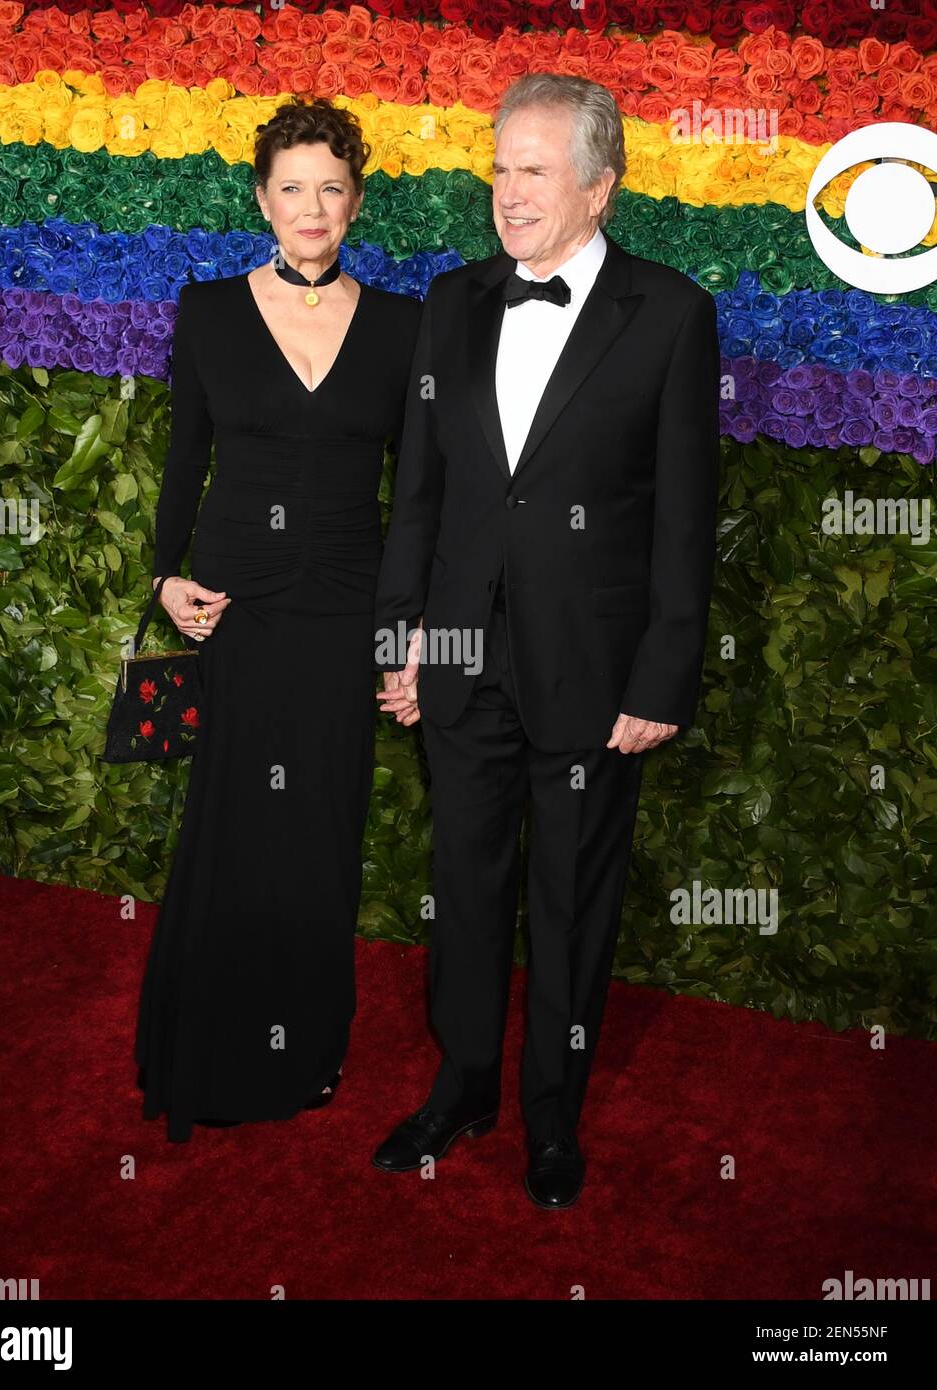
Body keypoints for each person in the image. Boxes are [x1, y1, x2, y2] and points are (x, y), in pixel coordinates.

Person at [371, 74, 721, 1207]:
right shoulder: (449, 301)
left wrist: (662, 671)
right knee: (463, 885)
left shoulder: (667, 313)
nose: (505, 193)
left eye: (530, 169)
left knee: (572, 900)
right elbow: (417, 493)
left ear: (597, 184)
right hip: (461, 658)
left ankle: (551, 1118)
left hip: (592, 669)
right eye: (497, 167)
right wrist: (402, 637)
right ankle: (462, 1082)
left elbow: (682, 513)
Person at [135, 96, 422, 1143]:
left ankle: (305, 1042)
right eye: (292, 186)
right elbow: (183, 457)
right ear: (262, 198)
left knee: (321, 830)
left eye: (330, 187)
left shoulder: (402, 325)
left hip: (346, 613)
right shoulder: (207, 308)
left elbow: (423, 493)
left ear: (354, 200)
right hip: (237, 609)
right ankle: (209, 1041)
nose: (312, 206)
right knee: (235, 825)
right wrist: (164, 573)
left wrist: (405, 634)